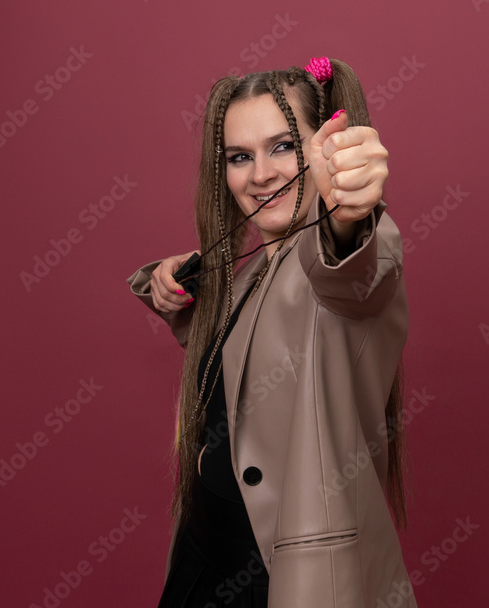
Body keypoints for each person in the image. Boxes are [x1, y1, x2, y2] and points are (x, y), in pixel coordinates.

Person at [127, 57, 416, 607]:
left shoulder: (344, 252)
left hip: (276, 577)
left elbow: (351, 270)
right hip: (203, 559)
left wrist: (351, 207)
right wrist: (180, 298)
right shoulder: (258, 263)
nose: (259, 174)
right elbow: (251, 364)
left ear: (327, 147)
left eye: (283, 146)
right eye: (240, 156)